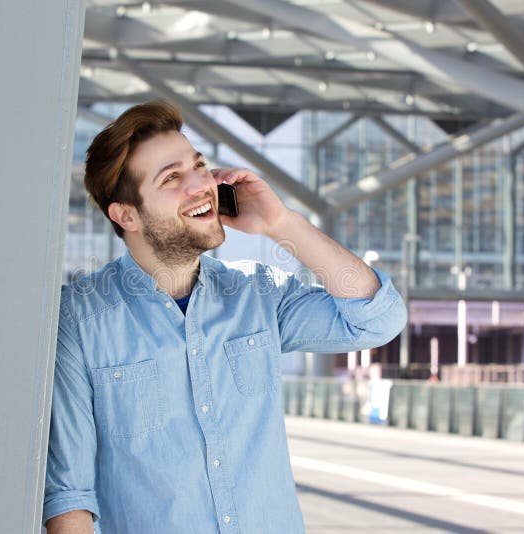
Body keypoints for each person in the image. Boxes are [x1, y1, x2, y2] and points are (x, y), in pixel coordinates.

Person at [44, 101, 407, 533]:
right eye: (172, 178)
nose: (200, 185)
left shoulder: (258, 293)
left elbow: (375, 319)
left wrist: (281, 223)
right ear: (127, 215)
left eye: (198, 167)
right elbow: (69, 496)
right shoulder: (80, 317)